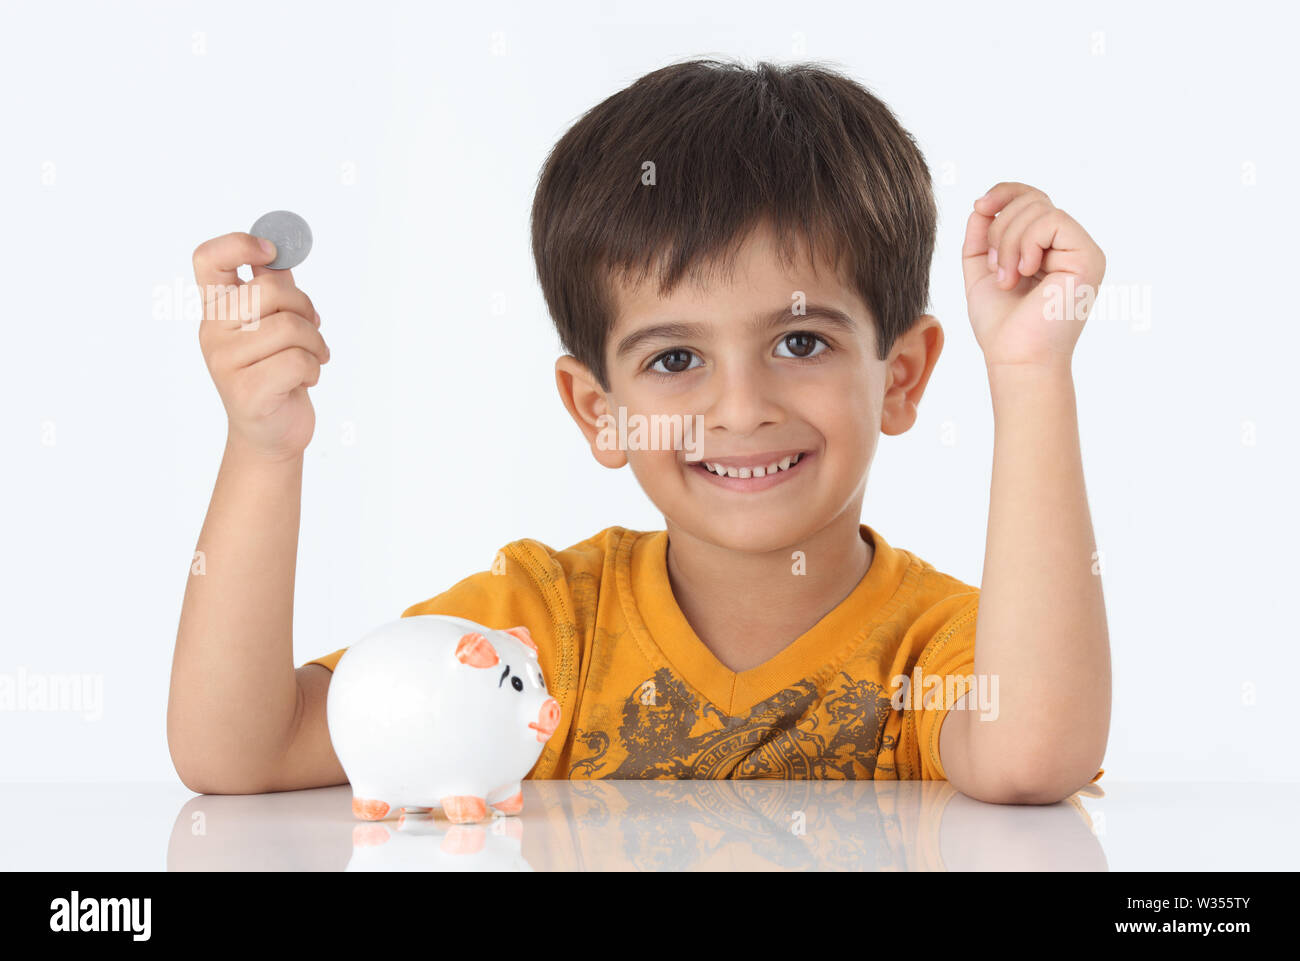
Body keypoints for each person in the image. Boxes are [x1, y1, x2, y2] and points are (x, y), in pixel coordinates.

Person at [169, 58, 1108, 813]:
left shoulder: (937, 650)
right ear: (596, 409)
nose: (740, 409)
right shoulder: (542, 631)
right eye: (673, 360)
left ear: (900, 376)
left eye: (798, 341)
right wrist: (262, 449)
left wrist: (1029, 376)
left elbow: (1031, 757)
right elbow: (241, 750)